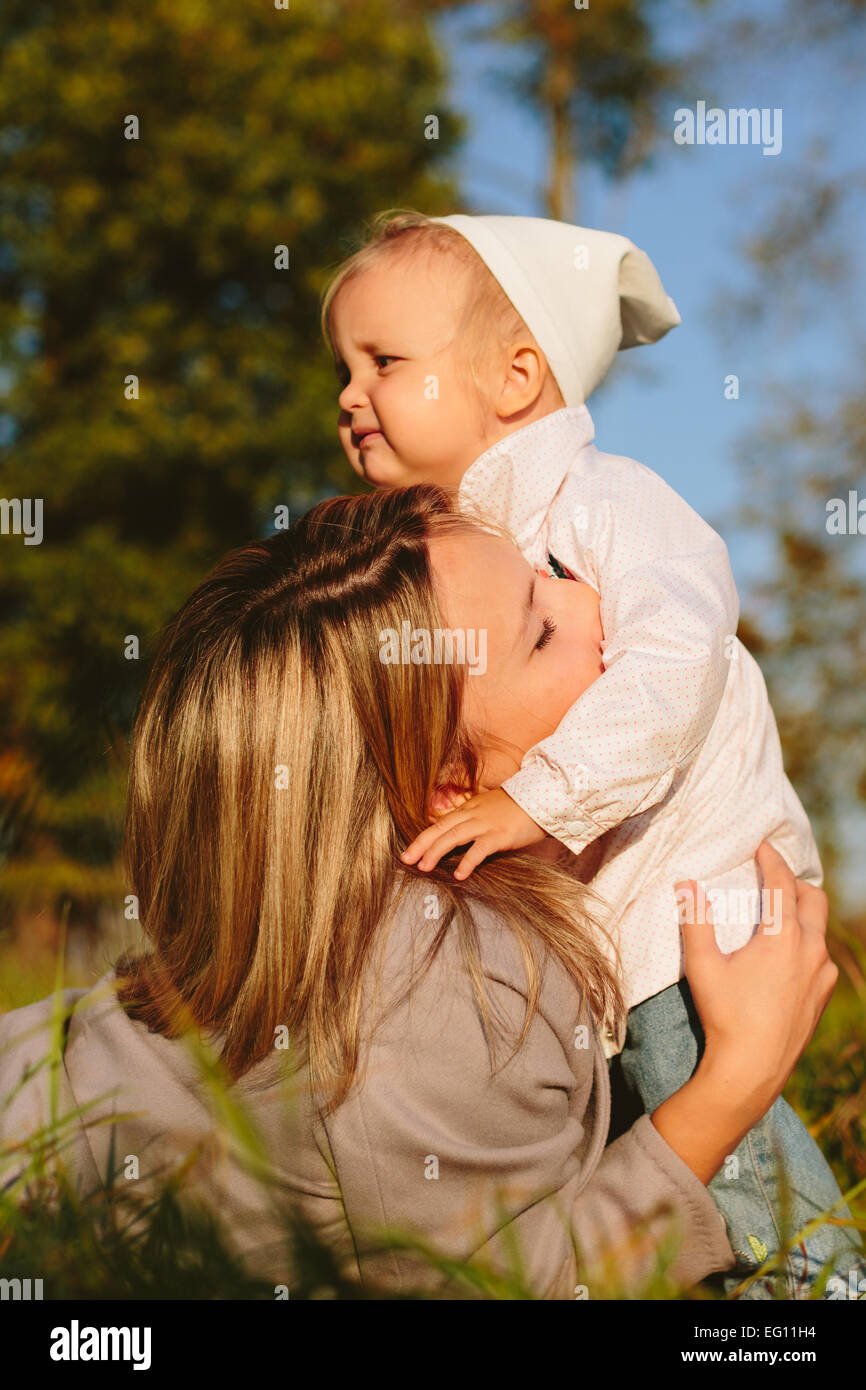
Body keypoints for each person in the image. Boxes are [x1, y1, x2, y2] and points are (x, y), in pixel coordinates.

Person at [0, 488, 840, 1298]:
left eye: (548, 572)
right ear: (449, 786)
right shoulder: (449, 990)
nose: (597, 603)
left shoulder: (358, 925)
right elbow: (506, 1286)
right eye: (542, 632)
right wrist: (734, 1082)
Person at [320, 210, 864, 1295]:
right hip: (613, 939)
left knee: (730, 1165)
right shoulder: (470, 547)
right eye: (341, 366)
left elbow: (680, 657)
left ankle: (816, 1298)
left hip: (687, 911)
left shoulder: (609, 505)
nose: (347, 393)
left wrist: (542, 795)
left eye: (383, 361)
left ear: (515, 377)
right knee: (626, 1156)